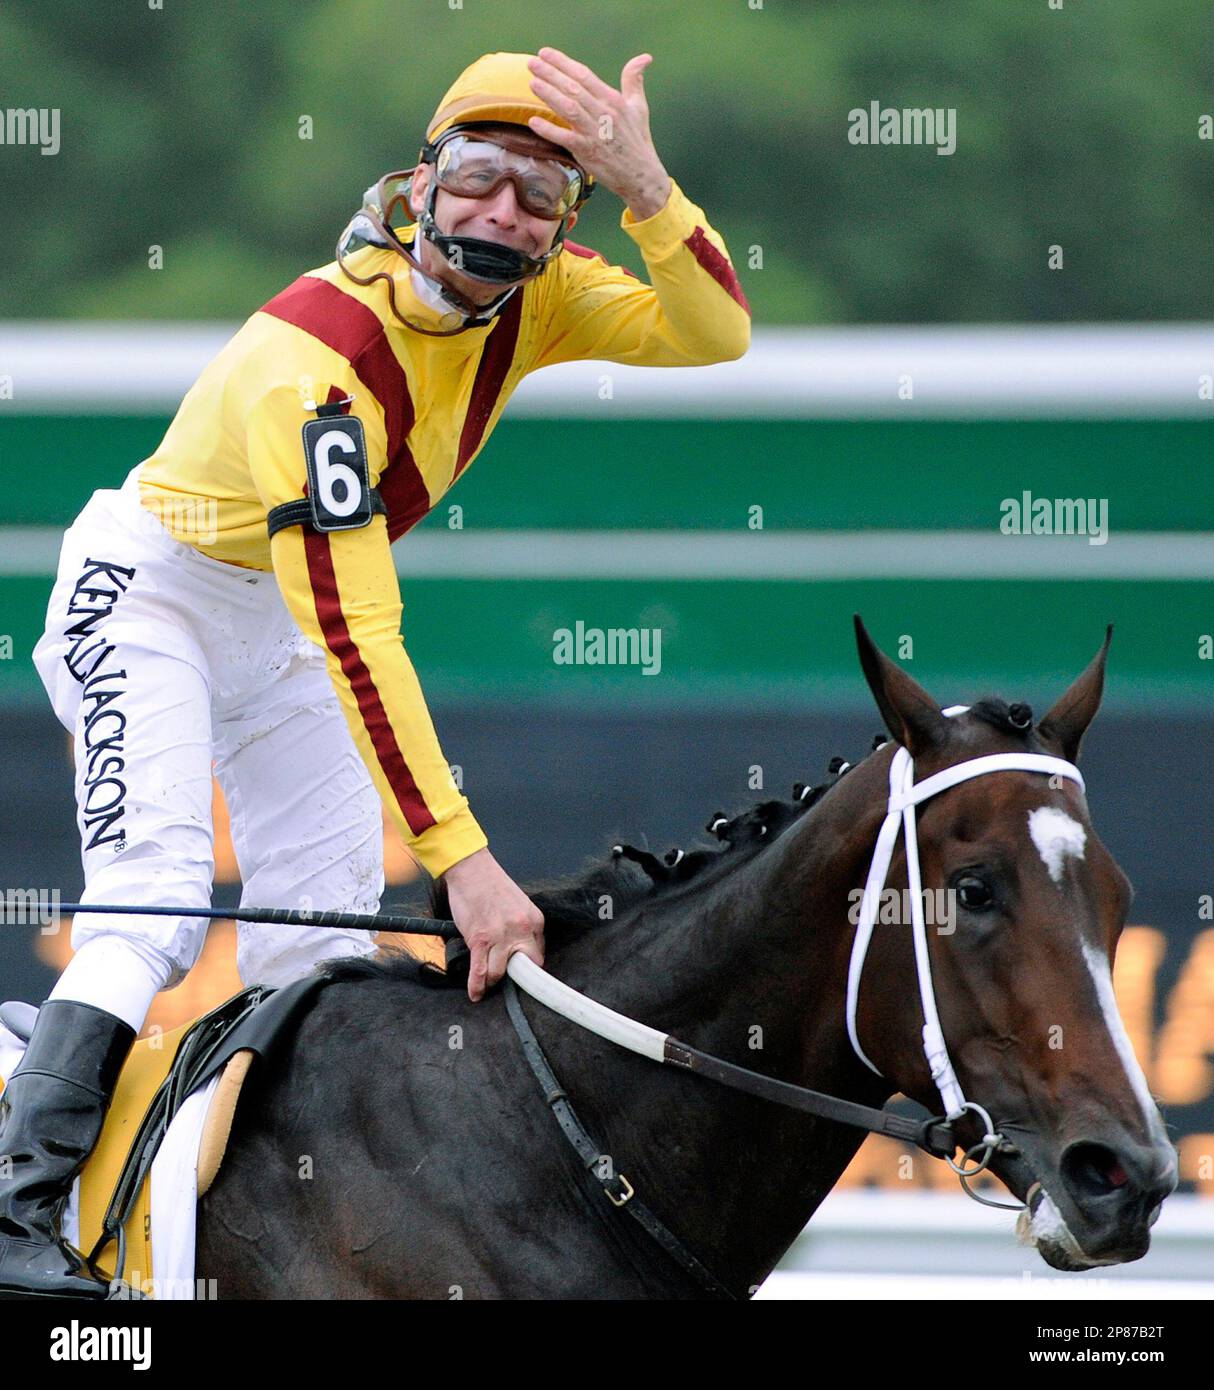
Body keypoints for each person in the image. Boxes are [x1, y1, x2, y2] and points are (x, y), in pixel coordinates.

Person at [2, 47, 751, 1297]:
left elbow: (713, 328)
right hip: (153, 593)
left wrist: (646, 185)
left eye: (540, 193)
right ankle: (18, 1209)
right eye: (479, 176)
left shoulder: (543, 294)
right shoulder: (315, 370)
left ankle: (270, 1215)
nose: (502, 211)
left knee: (326, 931)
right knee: (155, 901)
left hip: (275, 612)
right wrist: (465, 864)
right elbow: (356, 634)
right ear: (423, 181)